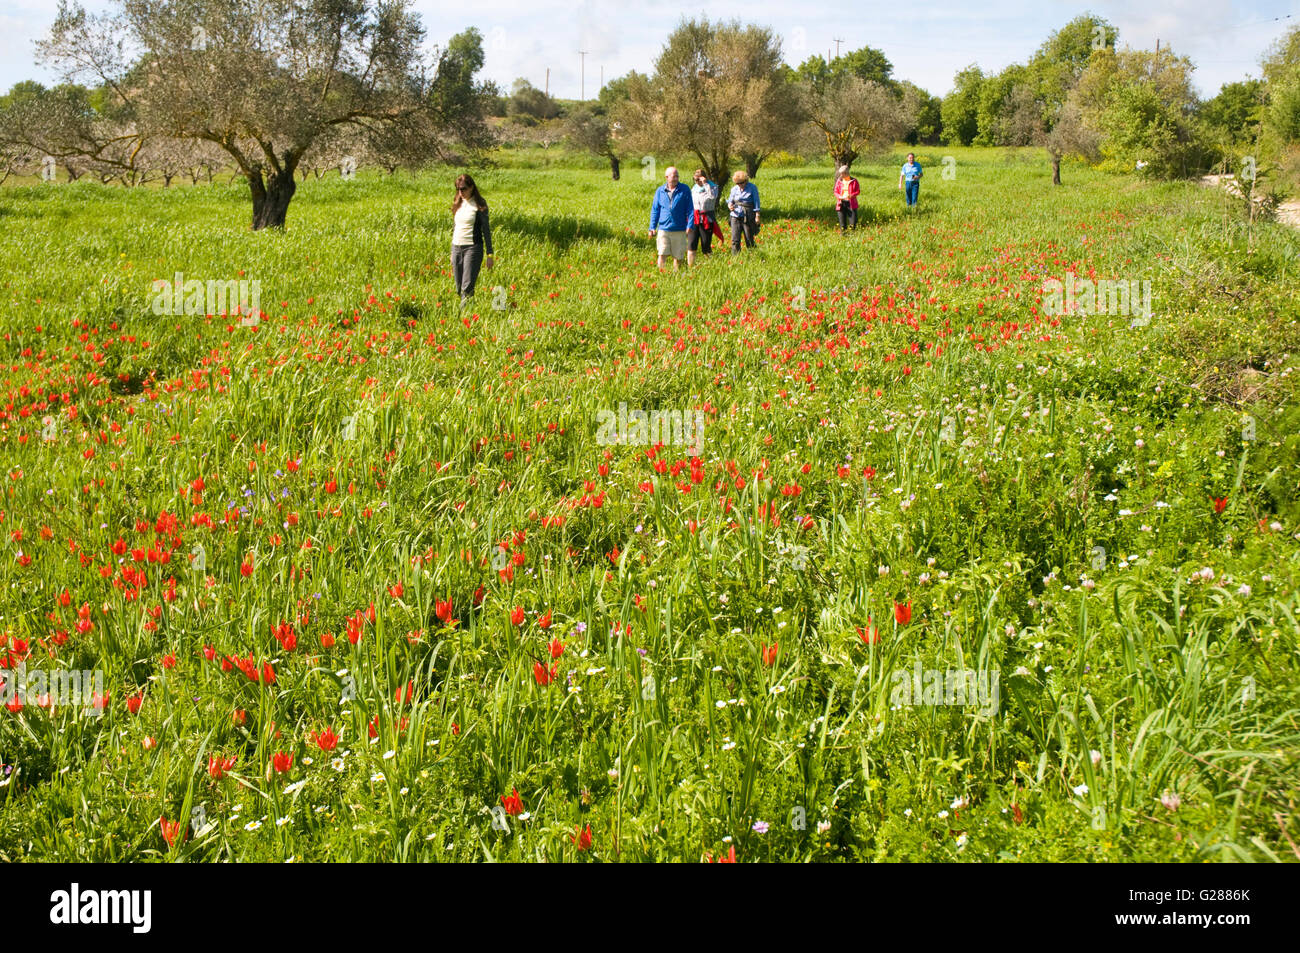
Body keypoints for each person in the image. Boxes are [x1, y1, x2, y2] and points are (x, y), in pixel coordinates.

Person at [450, 173, 493, 307]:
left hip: (472, 248)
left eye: (463, 189)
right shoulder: (458, 202)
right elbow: (456, 227)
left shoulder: (479, 204)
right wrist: (452, 252)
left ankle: (465, 318)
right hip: (456, 247)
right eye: (458, 189)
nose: (460, 192)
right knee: (458, 287)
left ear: (472, 187)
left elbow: (486, 230)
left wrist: (490, 254)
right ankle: (466, 310)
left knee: (466, 287)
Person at [648, 166, 693, 270]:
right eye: (674, 176)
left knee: (678, 256)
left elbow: (690, 209)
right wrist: (652, 227)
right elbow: (655, 210)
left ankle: (676, 277)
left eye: (677, 176)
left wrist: (690, 225)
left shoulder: (684, 189)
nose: (676, 178)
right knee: (662, 254)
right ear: (667, 177)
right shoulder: (660, 191)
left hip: (679, 228)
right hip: (663, 228)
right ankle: (661, 275)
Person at [687, 169, 722, 265]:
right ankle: (690, 266)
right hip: (694, 218)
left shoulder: (713, 187)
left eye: (699, 179)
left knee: (705, 244)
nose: (697, 182)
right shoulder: (694, 189)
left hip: (707, 218)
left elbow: (712, 197)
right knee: (691, 243)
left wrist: (706, 184)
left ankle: (711, 265)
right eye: (695, 179)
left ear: (704, 178)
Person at [726, 170, 760, 253]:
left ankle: (753, 256)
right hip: (735, 215)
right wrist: (729, 205)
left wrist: (757, 215)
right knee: (735, 239)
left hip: (748, 215)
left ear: (746, 180)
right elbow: (730, 200)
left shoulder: (752, 187)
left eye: (741, 183)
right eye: (737, 183)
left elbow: (756, 201)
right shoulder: (734, 189)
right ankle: (736, 257)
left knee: (749, 238)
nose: (740, 185)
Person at [833, 165, 859, 231]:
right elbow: (835, 191)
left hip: (851, 203)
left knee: (853, 223)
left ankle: (852, 236)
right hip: (841, 203)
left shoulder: (854, 181)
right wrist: (839, 197)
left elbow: (857, 191)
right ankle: (843, 237)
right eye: (840, 173)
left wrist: (851, 195)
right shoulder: (839, 181)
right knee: (842, 225)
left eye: (842, 173)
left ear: (846, 173)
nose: (841, 175)